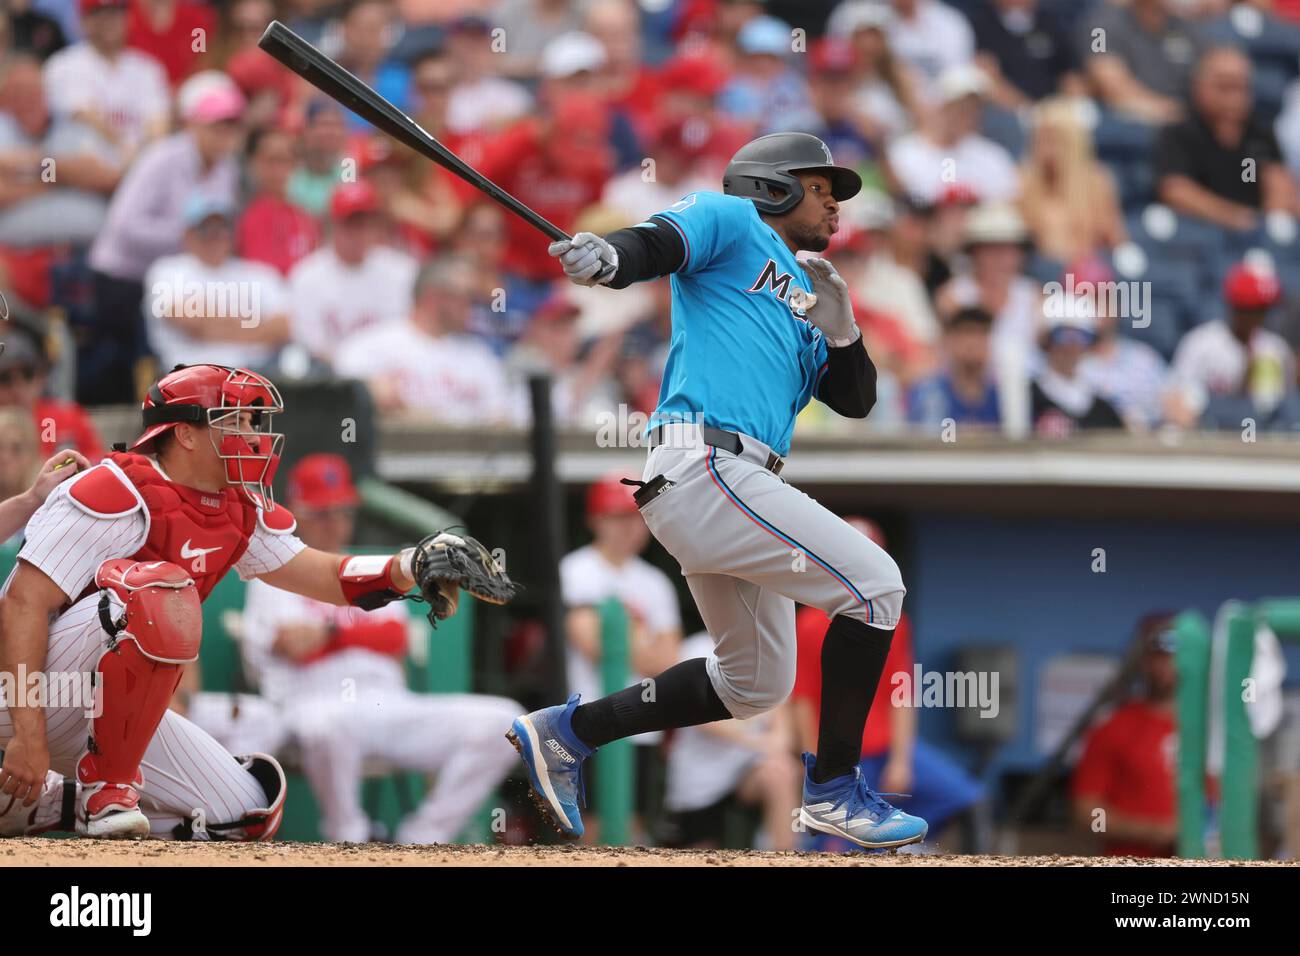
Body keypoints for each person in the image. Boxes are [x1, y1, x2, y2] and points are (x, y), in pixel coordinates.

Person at [507, 132, 928, 849]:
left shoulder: (804, 291)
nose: (835, 207)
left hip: (730, 483)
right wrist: (611, 259)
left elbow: (856, 401)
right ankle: (833, 788)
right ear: (775, 187)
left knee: (754, 684)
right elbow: (657, 243)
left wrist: (845, 330)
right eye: (822, 189)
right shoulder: (731, 218)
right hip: (708, 462)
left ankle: (568, 732)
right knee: (877, 586)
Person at [0, 363, 499, 839]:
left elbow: (325, 574)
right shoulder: (115, 488)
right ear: (186, 433)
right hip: (30, 693)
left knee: (242, 815)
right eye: (232, 420)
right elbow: (22, 603)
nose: (251, 434)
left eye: (251, 421)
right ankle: (104, 793)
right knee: (155, 589)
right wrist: (28, 733)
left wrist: (409, 565)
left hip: (107, 716)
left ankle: (50, 804)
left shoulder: (239, 508)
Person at [233, 454, 522, 844]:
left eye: (343, 512)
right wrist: (353, 634)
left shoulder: (368, 567)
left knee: (507, 722)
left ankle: (423, 838)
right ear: (298, 510)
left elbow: (395, 638)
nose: (336, 523)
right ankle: (349, 838)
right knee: (328, 725)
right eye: (323, 513)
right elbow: (292, 645)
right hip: (310, 705)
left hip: (388, 705)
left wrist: (329, 635)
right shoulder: (272, 575)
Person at [791, 517, 983, 848]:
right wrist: (820, 770)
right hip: (843, 759)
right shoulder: (809, 621)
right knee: (835, 847)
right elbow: (803, 702)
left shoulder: (892, 618)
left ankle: (906, 847)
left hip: (885, 748)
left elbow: (901, 695)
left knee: (965, 797)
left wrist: (901, 758)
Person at [83, 79, 245, 404]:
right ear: (194, 125)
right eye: (216, 126)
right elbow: (124, 225)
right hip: (125, 275)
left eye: (230, 126)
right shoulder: (162, 159)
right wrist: (185, 238)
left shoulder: (227, 169)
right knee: (116, 365)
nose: (224, 135)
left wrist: (197, 244)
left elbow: (219, 222)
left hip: (179, 275)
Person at [662, 632, 801, 851]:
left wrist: (774, 745)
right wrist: (755, 740)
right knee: (695, 851)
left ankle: (782, 854)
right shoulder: (693, 650)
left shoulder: (771, 652)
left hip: (749, 768)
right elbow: (696, 717)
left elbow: (783, 729)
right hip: (701, 774)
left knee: (782, 772)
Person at [334, 257, 513, 423]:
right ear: (434, 297)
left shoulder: (480, 357)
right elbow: (346, 401)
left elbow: (500, 418)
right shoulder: (369, 346)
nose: (473, 306)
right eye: (467, 296)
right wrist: (370, 391)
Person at [144, 195, 291, 372]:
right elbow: (191, 322)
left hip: (253, 376)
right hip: (189, 378)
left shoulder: (259, 273)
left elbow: (283, 328)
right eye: (205, 228)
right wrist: (256, 327)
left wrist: (216, 325)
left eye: (223, 228)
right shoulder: (166, 270)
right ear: (188, 234)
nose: (216, 235)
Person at [1155, 46, 1295, 232]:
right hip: (1201, 232)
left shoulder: (1259, 134)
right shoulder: (1180, 132)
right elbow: (1176, 191)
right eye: (1225, 87)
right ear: (1199, 86)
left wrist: (1272, 218)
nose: (1234, 99)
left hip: (1255, 233)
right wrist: (1234, 217)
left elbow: (1277, 181)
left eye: (1242, 88)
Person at [1072, 616, 1180, 857]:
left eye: (1173, 655)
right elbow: (1088, 813)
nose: (1165, 665)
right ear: (1142, 661)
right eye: (1156, 655)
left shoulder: (1210, 729)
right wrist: (1154, 832)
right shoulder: (1112, 726)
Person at [286, 180, 418, 368]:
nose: (361, 232)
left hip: (391, 374)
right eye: (352, 224)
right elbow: (311, 345)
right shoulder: (306, 275)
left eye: (367, 224)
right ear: (332, 225)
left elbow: (411, 337)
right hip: (333, 377)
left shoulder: (402, 271)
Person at [1166, 261, 1296, 429]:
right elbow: (1176, 401)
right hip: (1208, 436)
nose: (1259, 317)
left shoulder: (1276, 349)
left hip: (1261, 437)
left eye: (1263, 309)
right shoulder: (1202, 342)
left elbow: (1280, 408)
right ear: (1235, 308)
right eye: (1253, 309)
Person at [42, 0, 169, 157]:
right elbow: (83, 116)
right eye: (100, 14)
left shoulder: (148, 68)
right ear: (84, 20)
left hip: (138, 164)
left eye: (116, 13)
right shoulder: (63, 64)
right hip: (82, 167)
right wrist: (125, 148)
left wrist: (142, 160)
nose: (110, 21)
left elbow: (158, 125)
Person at [887, 63, 1019, 206]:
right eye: (960, 106)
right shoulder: (903, 153)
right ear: (941, 106)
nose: (968, 114)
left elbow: (1008, 202)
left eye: (975, 107)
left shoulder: (992, 155)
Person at [1019, 97, 1126, 264]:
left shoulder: (1097, 182)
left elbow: (1115, 238)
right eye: (1040, 140)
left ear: (1072, 143)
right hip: (1039, 271)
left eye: (1053, 141)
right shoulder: (1022, 182)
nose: (1046, 150)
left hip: (1086, 272)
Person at [1075, 0, 1206, 125]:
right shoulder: (1099, 28)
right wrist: (1169, 112)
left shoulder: (1185, 26)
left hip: (1186, 117)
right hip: (1130, 120)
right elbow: (1109, 84)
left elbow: (1208, 73)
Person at [0, 330, 105, 460]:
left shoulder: (69, 417)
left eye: (27, 374)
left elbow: (96, 463)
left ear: (40, 376)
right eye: (5, 378)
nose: (18, 386)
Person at [1031, 307, 1126, 438]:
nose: (1071, 346)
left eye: (1081, 337)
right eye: (1063, 336)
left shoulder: (1103, 409)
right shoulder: (1027, 396)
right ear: (1047, 340)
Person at [906, 306, 1001, 429]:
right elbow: (929, 443)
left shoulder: (1002, 396)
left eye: (981, 334)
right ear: (950, 340)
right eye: (966, 333)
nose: (973, 343)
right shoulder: (930, 393)